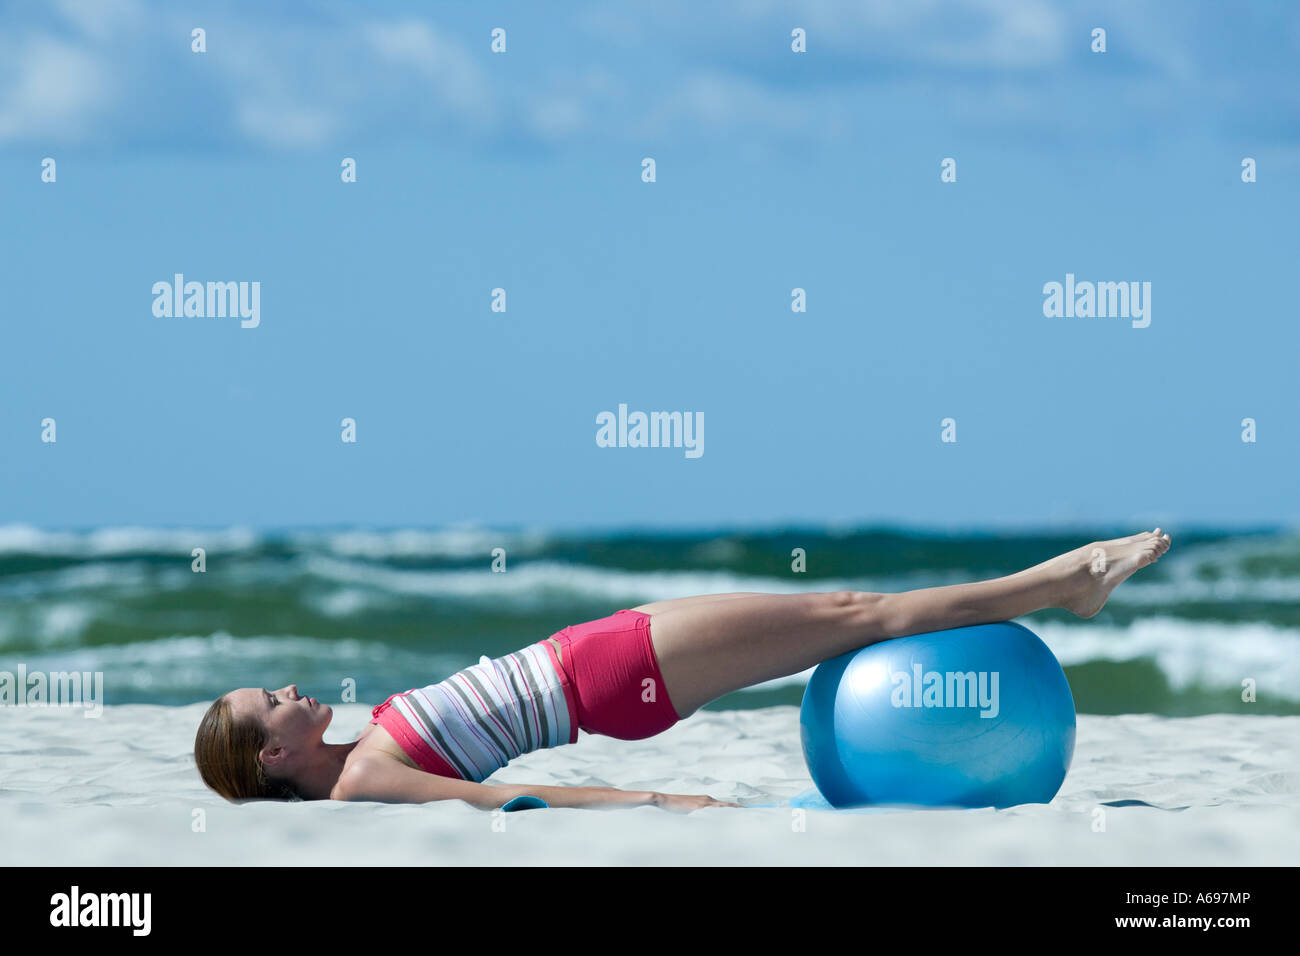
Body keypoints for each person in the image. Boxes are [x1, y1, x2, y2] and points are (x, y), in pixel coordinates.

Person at [194, 530, 1171, 812]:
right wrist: (657, 799)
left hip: (598, 655)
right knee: (851, 617)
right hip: (610, 679)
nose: (286, 686)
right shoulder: (365, 777)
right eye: (270, 701)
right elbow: (507, 802)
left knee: (843, 623)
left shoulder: (361, 749)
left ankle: (1057, 585)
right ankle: (1062, 582)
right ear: (276, 753)